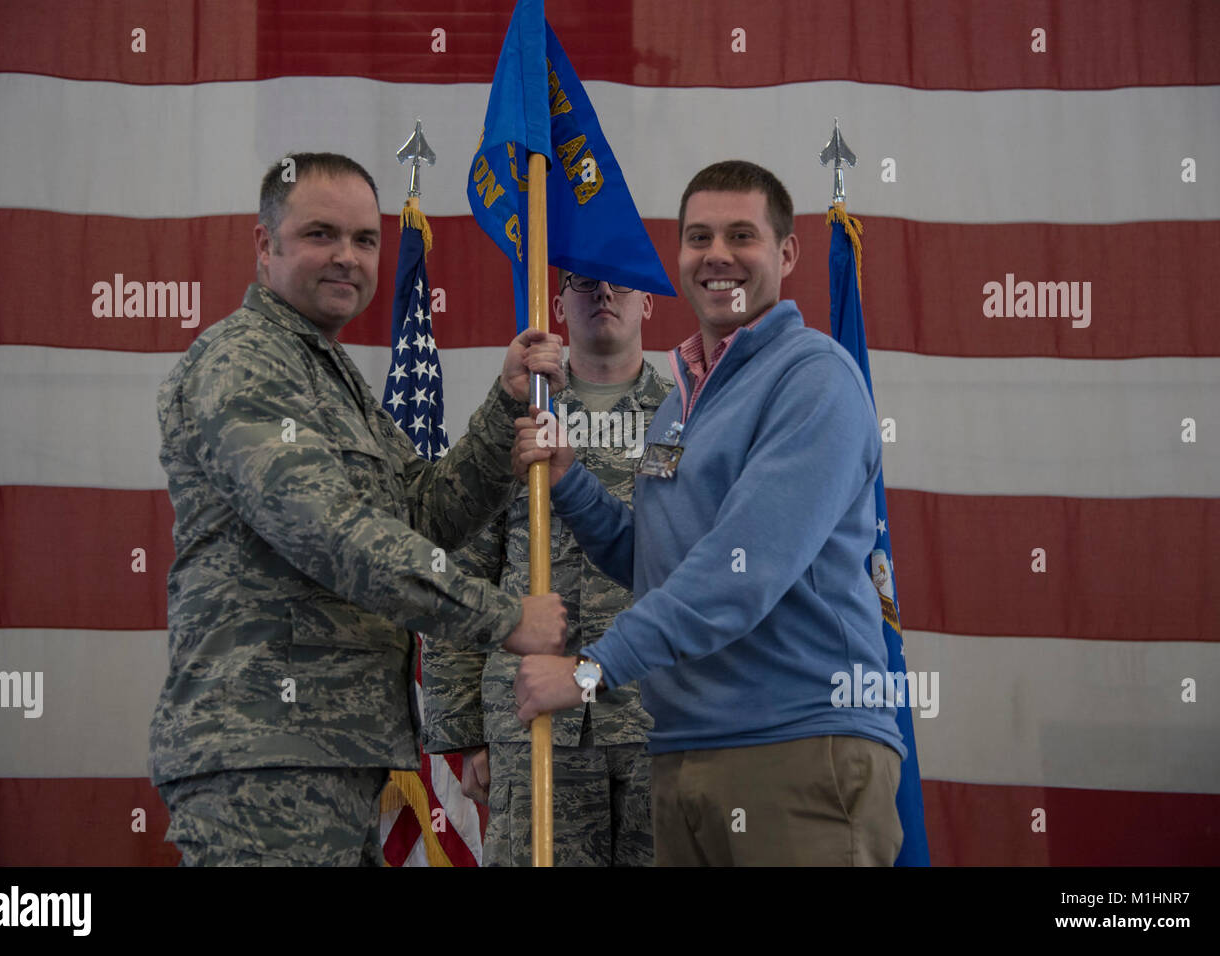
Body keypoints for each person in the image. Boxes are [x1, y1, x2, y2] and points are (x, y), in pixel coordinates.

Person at [149, 152, 567, 866]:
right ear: (265, 247)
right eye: (321, 234)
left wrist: (504, 411)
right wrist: (503, 618)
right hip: (263, 760)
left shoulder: (328, 375)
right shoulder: (242, 363)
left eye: (365, 240)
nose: (346, 257)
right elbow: (332, 535)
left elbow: (423, 511)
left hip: (327, 756)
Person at [512, 160, 906, 866]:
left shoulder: (811, 378)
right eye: (698, 237)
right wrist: (571, 482)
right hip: (686, 753)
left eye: (740, 235)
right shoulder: (684, 398)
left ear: (785, 254)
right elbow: (657, 564)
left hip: (795, 750)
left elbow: (739, 573)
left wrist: (589, 671)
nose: (717, 255)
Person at [421, 269, 671, 866]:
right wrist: (466, 732)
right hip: (532, 724)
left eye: (620, 285)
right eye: (585, 284)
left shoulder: (686, 419)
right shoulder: (521, 423)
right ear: (557, 305)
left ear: (649, 303)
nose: (604, 296)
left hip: (658, 722)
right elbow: (463, 576)